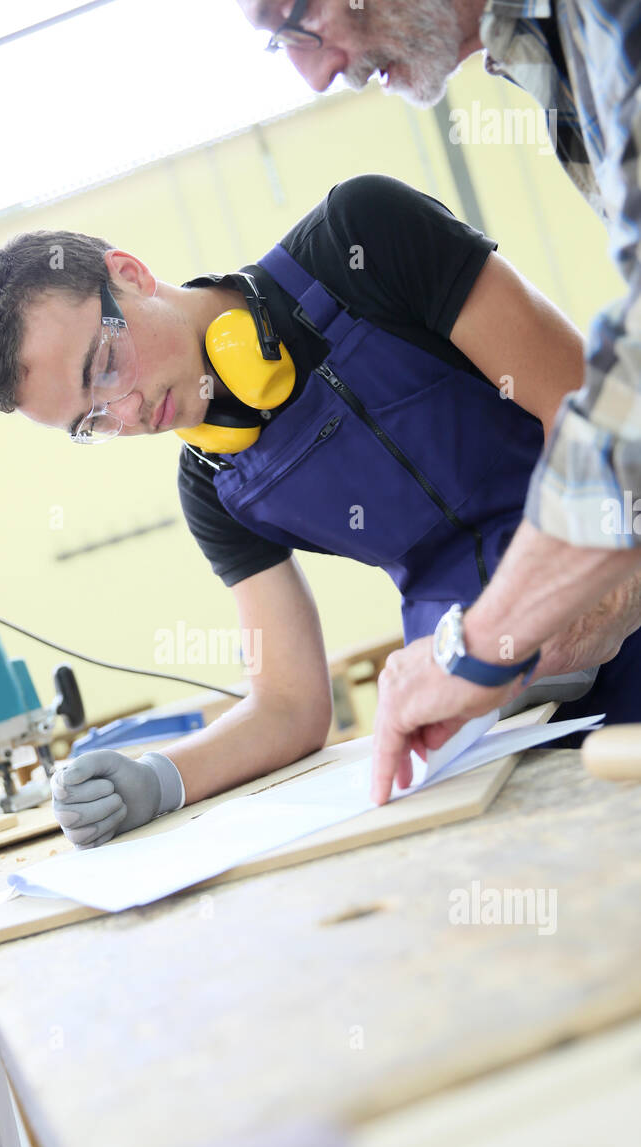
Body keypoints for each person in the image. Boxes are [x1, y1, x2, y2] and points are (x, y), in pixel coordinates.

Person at [0, 175, 636, 848]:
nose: (129, 413)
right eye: (93, 422)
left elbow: (599, 427)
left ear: (131, 275)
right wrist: (159, 780)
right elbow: (290, 703)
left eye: (105, 367)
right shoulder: (214, 486)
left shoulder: (361, 239)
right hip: (488, 723)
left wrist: (564, 617)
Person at [238, 1, 641, 802]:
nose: (317, 73)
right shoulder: (548, 51)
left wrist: (485, 642)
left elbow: (620, 396)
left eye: (297, 19)